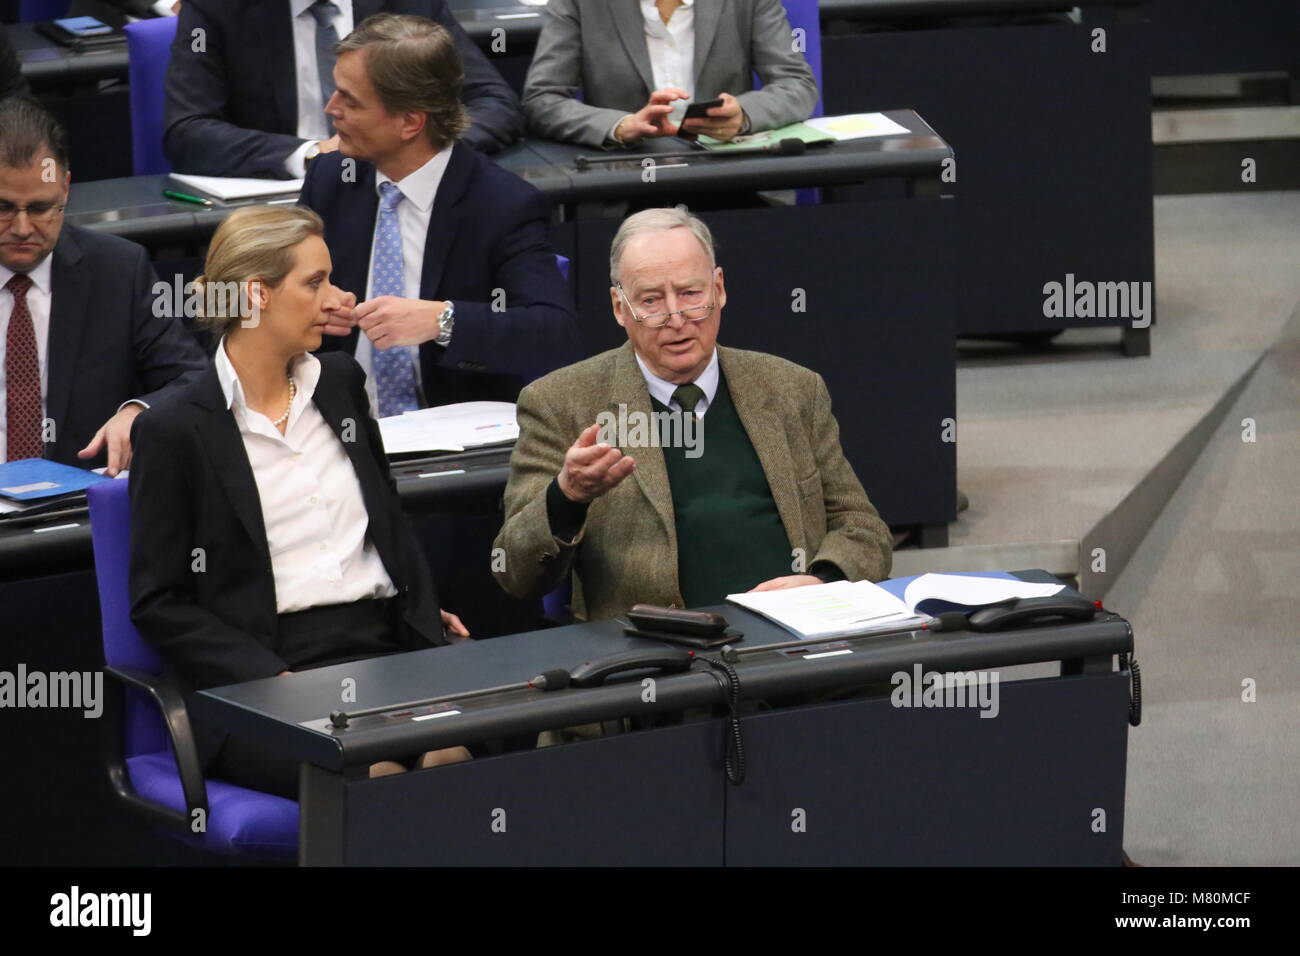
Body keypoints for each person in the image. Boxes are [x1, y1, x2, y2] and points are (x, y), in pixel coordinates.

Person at [130, 205, 471, 799]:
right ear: (256, 295)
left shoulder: (339, 383)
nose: (337, 296)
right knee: (377, 778)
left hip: (383, 651)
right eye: (314, 282)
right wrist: (271, 676)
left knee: (453, 755)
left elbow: (387, 520)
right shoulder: (176, 428)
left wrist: (423, 614)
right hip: (263, 674)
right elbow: (160, 601)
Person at [492, 207, 891, 621]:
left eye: (690, 294)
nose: (676, 318)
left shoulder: (792, 388)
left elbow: (862, 527)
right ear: (619, 307)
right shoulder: (560, 404)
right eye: (650, 300)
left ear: (718, 288)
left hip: (796, 638)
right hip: (659, 659)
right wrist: (567, 495)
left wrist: (822, 581)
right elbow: (515, 573)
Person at [299, 13, 579, 413]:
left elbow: (554, 335)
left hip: (447, 428)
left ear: (410, 122)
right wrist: (313, 309)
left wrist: (443, 321)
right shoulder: (331, 179)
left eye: (350, 100)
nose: (331, 108)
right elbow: (277, 289)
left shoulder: (501, 204)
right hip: (338, 421)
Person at [0, 98, 205, 472]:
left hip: (79, 506)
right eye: (4, 208)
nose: (23, 228)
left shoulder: (118, 271)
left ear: (65, 188)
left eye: (41, 208)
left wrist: (138, 411)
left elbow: (193, 378)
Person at [164, 0, 521, 179]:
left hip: (403, 189)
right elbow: (188, 131)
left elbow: (494, 101)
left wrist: (421, 154)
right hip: (279, 211)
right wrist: (313, 155)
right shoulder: (218, 7)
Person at [522, 0, 819, 149]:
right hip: (624, 179)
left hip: (728, 176)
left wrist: (743, 115)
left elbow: (797, 84)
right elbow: (541, 99)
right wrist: (619, 125)